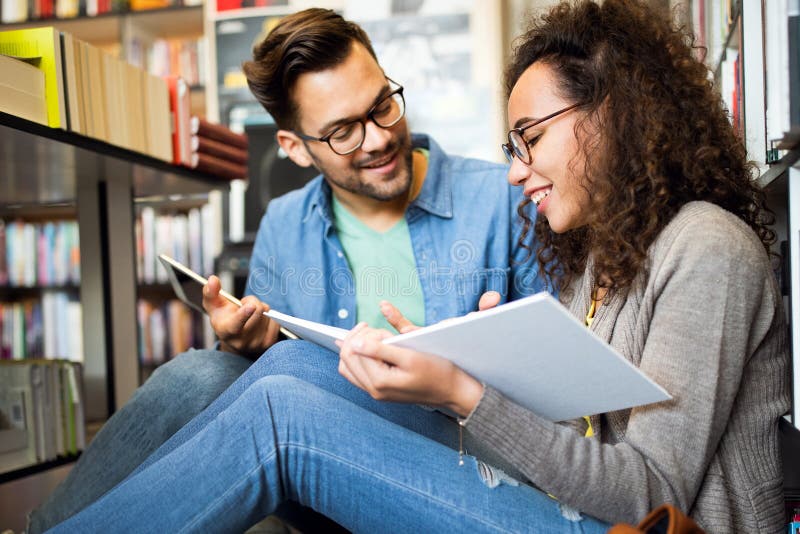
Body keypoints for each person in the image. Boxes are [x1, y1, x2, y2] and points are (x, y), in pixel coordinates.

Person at [48, 0, 790, 532]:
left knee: (281, 414)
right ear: (297, 147)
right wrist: (482, 367)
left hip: (622, 519)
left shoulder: (707, 248)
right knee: (269, 371)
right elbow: (580, 426)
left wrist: (465, 389)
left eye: (530, 139)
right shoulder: (606, 250)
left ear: (615, 114)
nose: (516, 171)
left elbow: (648, 492)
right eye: (512, 147)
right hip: (558, 493)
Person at [27, 9, 542, 532]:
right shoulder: (285, 222)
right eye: (343, 131)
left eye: (382, 105)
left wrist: (488, 359)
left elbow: (564, 398)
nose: (378, 139)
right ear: (294, 148)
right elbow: (248, 392)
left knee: (286, 372)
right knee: (203, 374)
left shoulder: (505, 198)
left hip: (462, 466)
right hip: (328, 468)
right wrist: (243, 346)